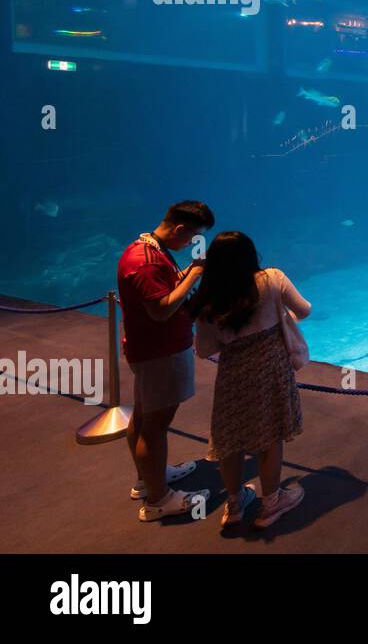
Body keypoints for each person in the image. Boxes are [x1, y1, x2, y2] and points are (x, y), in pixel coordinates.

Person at [190, 231, 309, 530]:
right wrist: (281, 321)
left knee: (230, 440)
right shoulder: (271, 280)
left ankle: (234, 505)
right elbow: (304, 310)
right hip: (271, 369)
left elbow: (204, 350)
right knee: (269, 437)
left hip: (232, 374)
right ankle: (271, 504)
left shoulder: (208, 300)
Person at [118, 200, 214, 521]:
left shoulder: (151, 248)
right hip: (161, 353)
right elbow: (161, 310)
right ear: (180, 229)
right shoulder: (145, 261)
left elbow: (165, 290)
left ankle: (149, 479)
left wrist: (191, 271)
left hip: (151, 350)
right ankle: (160, 500)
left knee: (144, 418)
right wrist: (197, 272)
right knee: (155, 426)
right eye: (190, 238)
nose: (189, 244)